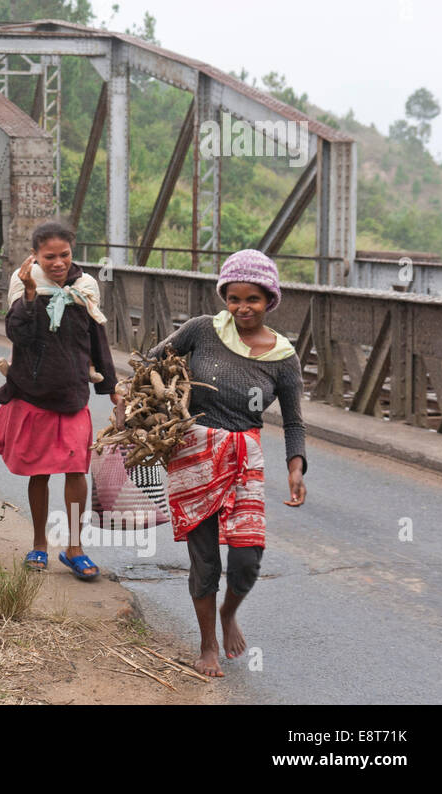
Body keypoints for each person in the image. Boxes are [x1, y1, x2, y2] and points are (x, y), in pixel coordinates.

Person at [144, 248, 307, 677]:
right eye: (233, 298)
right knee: (204, 559)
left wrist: (295, 467)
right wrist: (142, 399)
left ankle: (229, 611)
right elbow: (152, 361)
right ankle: (207, 646)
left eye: (252, 299)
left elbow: (293, 420)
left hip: (244, 457)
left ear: (269, 299)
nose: (241, 308)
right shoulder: (202, 329)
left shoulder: (283, 358)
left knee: (247, 557)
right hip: (194, 453)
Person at [0, 221, 121, 580]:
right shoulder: (24, 283)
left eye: (64, 255)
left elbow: (97, 340)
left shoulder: (85, 287)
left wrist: (111, 387)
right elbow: (19, 334)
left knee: (77, 470)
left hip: (73, 393)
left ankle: (75, 548)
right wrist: (31, 293)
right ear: (35, 256)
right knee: (40, 472)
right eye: (49, 257)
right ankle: (39, 545)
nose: (58, 262)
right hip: (34, 394)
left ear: (72, 253)